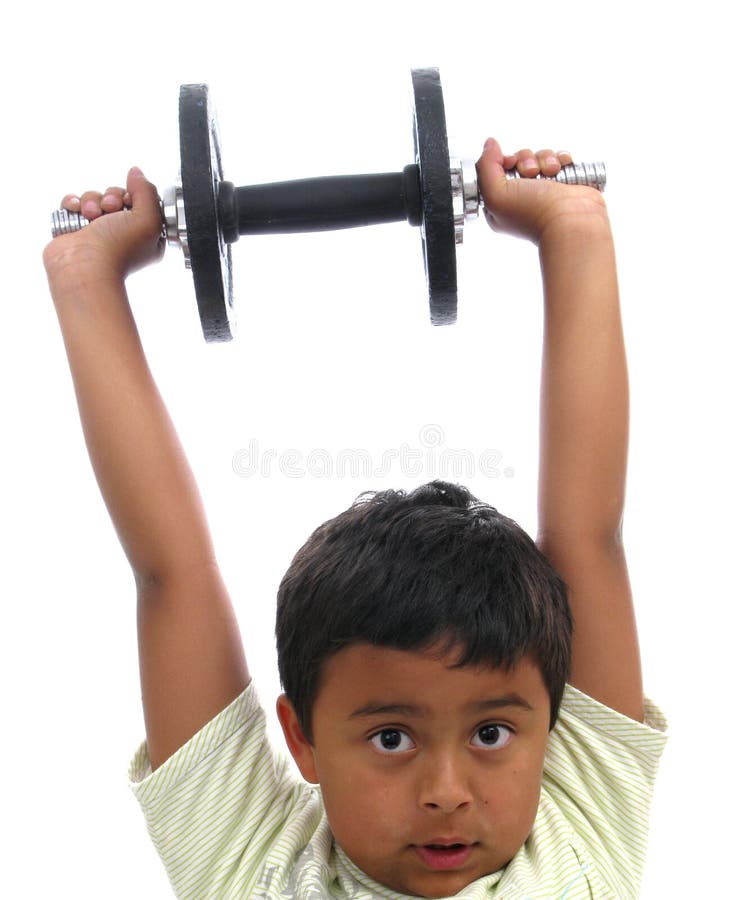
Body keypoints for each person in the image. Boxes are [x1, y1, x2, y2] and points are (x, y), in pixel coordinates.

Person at [43, 139, 667, 899]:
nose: (446, 792)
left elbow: (587, 538)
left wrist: (574, 227)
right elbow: (170, 573)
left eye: (492, 733)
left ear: (551, 724)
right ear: (303, 740)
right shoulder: (256, 866)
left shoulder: (582, 829)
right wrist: (84, 277)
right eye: (391, 737)